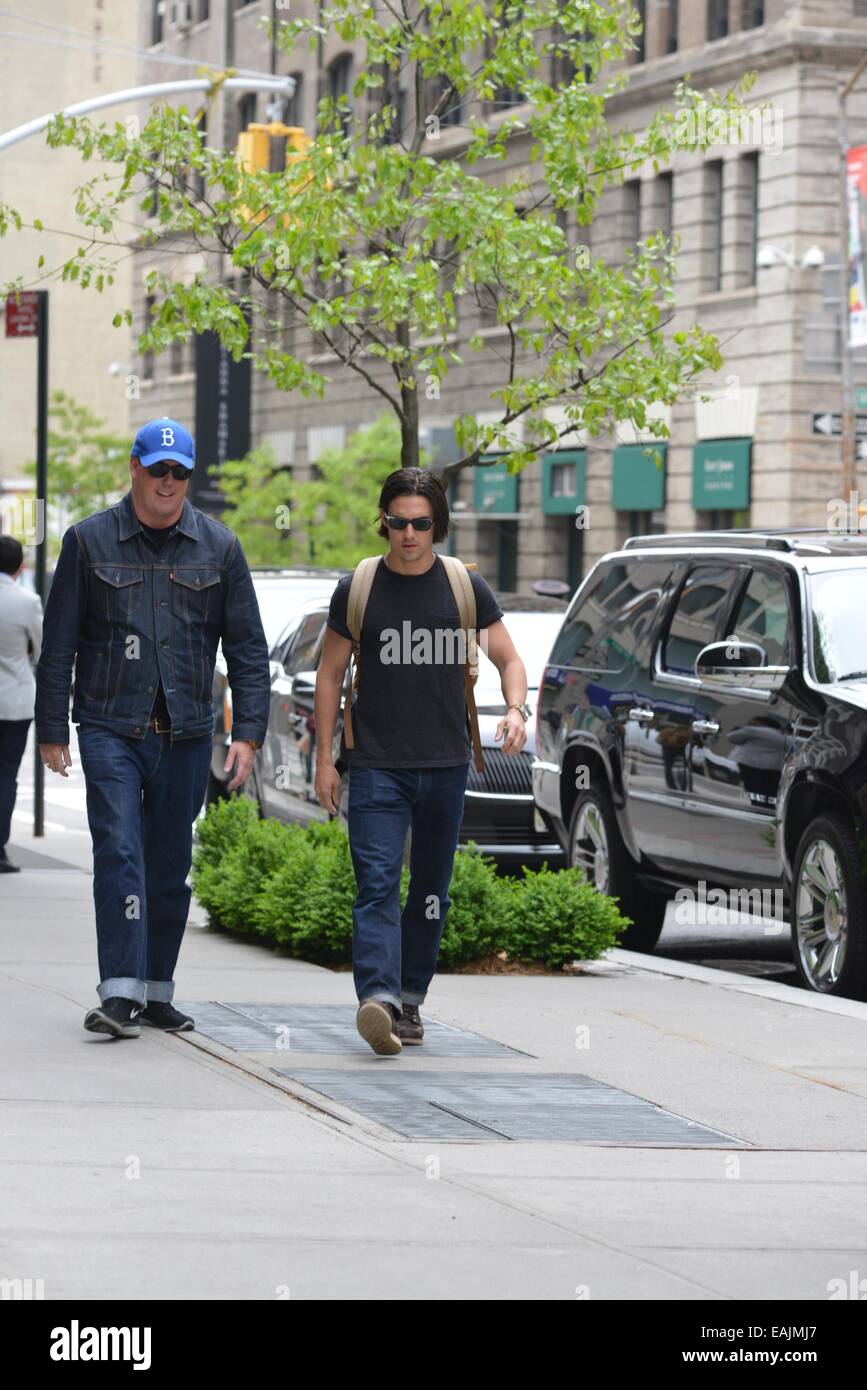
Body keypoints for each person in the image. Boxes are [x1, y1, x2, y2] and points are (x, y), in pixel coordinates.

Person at [35, 416, 270, 1039]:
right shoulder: (87, 542)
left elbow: (247, 647)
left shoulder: (219, 547)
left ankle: (156, 991)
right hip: (112, 725)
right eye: (159, 469)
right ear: (134, 469)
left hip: (189, 733)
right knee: (119, 851)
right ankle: (118, 993)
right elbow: (59, 644)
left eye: (181, 473)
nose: (169, 482)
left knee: (169, 866)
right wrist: (52, 727)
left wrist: (247, 731)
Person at [314, 467, 530, 1056]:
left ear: (439, 525)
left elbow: (511, 660)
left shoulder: (464, 587)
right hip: (376, 763)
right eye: (397, 522)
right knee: (376, 884)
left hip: (446, 764)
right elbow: (330, 675)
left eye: (421, 523)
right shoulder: (358, 587)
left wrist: (516, 711)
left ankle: (410, 1000)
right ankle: (378, 999)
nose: (408, 534)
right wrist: (325, 760)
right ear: (383, 520)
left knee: (431, 889)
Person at [0, 535, 43, 872]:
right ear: (20, 567)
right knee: (6, 775)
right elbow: (42, 651)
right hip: (14, 701)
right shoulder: (27, 602)